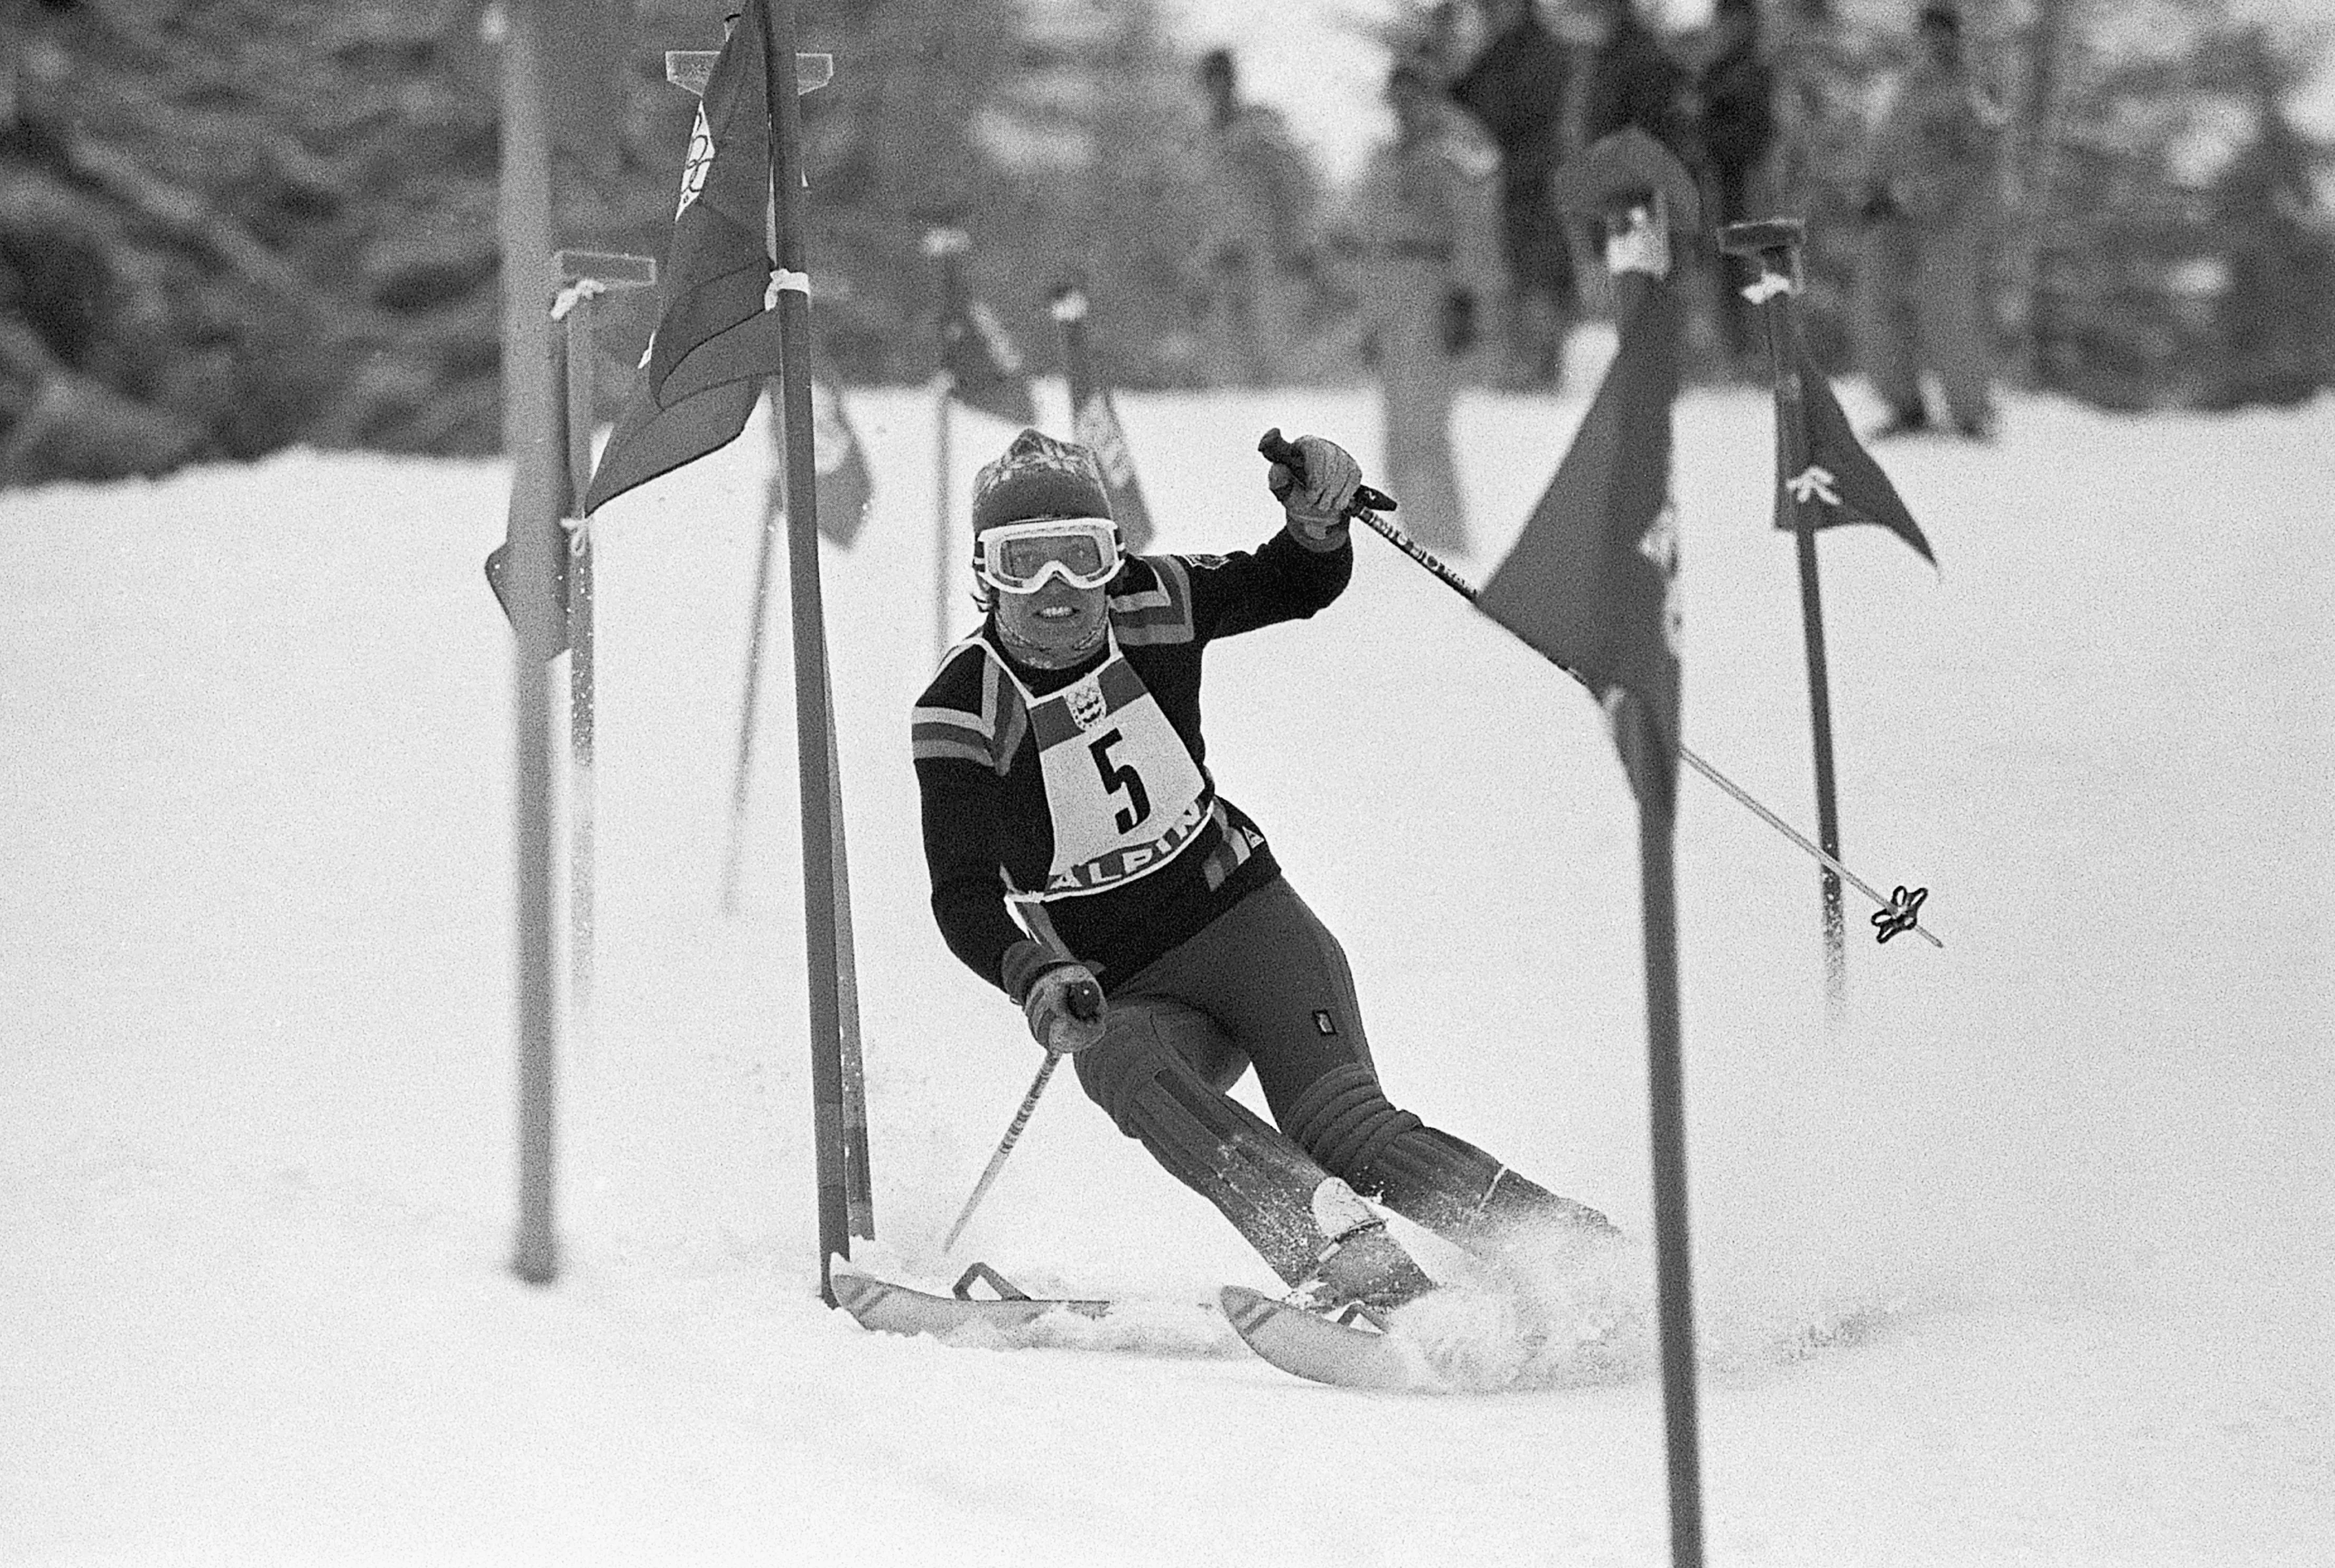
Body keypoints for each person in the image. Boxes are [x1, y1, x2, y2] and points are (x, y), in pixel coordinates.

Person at [912, 428, 1614, 1312]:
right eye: (1026, 566)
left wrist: (1318, 522)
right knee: (1119, 1061)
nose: (1058, 593)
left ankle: (1582, 1262)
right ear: (985, 574)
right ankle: (1346, 1262)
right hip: (1126, 988)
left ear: (1112, 559)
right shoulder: (962, 707)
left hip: (1248, 930)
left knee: (1349, 1132)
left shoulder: (1155, 600)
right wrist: (1035, 973)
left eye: (1079, 559)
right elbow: (963, 893)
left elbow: (1291, 580)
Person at [1333, 56, 1496, 551]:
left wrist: (1465, 300)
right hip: (1389, 302)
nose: (1405, 109)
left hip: (1431, 297)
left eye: (1414, 98)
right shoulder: (1385, 160)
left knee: (1426, 436)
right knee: (1398, 441)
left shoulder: (1451, 159)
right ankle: (1419, 542)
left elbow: (1474, 235)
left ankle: (1447, 544)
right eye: (1397, 99)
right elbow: (1361, 236)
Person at [1853, 0, 2003, 438]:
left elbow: (1977, 159)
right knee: (1879, 308)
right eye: (1926, 30)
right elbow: (1886, 147)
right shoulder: (1903, 87)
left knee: (1947, 311)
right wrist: (1874, 192)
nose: (1931, 41)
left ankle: (1971, 412)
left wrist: (1920, 195)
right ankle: (1904, 404)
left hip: (1947, 221)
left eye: (1941, 30)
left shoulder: (1969, 89)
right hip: (1893, 221)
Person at [1447, 0, 1578, 388]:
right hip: (1518, 174)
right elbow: (1464, 93)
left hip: (1539, 172)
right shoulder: (1504, 48)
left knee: (1542, 272)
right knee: (1523, 271)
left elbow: (1512, 109)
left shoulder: (1541, 49)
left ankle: (1540, 369)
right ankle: (1527, 366)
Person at [1187, 48, 1321, 387]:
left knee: (1267, 358)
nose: (1214, 88)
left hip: (1261, 257)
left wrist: (1298, 244)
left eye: (1220, 79)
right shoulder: (1204, 138)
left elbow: (1295, 185)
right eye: (1209, 81)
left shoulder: (1257, 130)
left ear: (1232, 82)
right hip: (1219, 258)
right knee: (1224, 361)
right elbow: (1203, 205)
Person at [1687, 0, 1777, 367]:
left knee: (1753, 267)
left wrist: (1707, 133)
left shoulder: (1753, 72)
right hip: (1722, 186)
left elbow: (1755, 135)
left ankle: (1755, 352)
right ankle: (1736, 351)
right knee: (1725, 268)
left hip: (1749, 184)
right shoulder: (1718, 71)